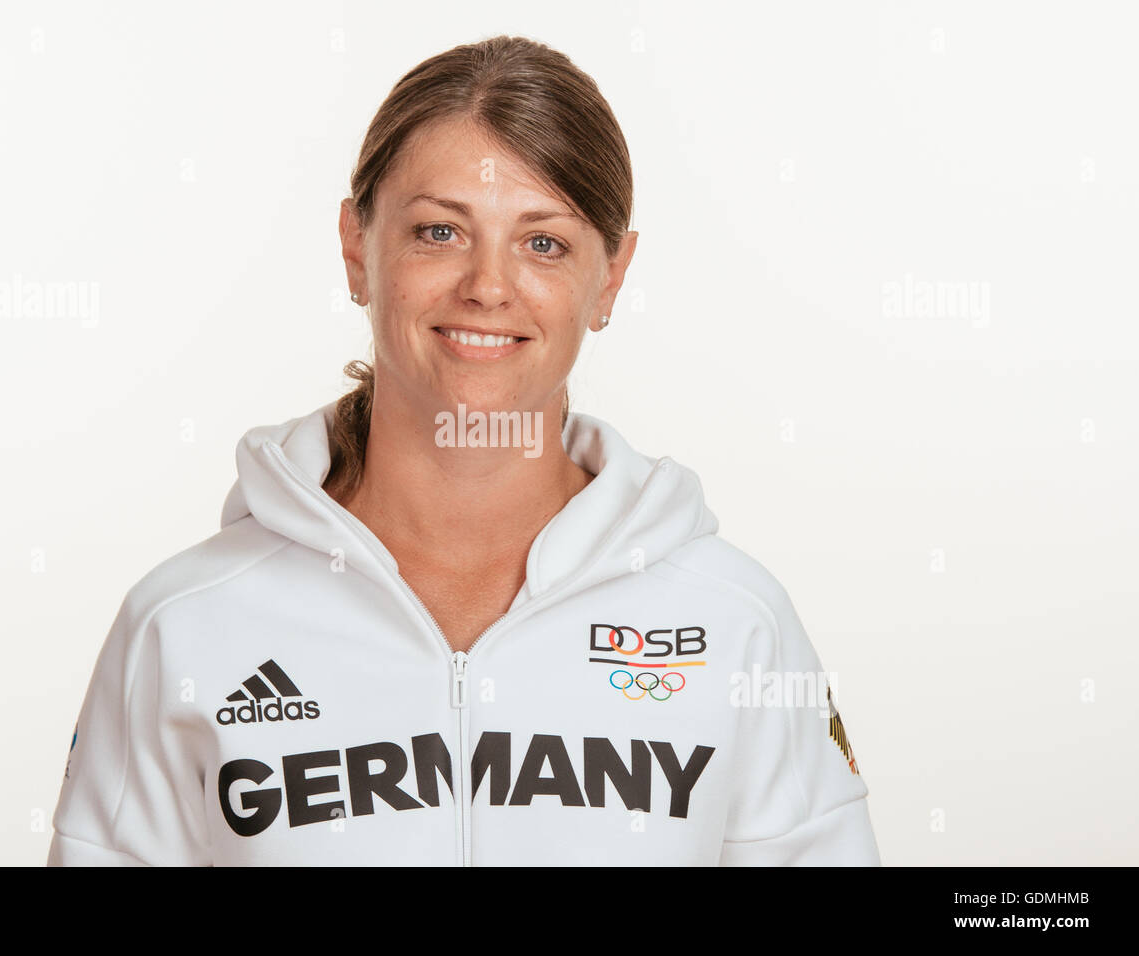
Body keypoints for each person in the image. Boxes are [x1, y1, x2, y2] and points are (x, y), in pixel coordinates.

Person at [47, 34, 881, 866]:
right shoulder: (185, 626)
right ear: (356, 249)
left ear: (612, 277)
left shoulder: (734, 624)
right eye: (440, 232)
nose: (487, 285)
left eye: (543, 242)